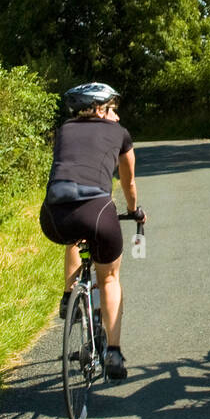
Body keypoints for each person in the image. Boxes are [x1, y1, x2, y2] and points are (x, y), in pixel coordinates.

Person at [39, 82, 145, 380]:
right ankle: (113, 351)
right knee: (109, 277)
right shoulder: (120, 134)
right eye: (112, 109)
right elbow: (129, 183)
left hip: (53, 215)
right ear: (99, 109)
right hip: (97, 211)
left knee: (74, 238)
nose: (117, 117)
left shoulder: (64, 130)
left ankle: (68, 294)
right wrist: (134, 210)